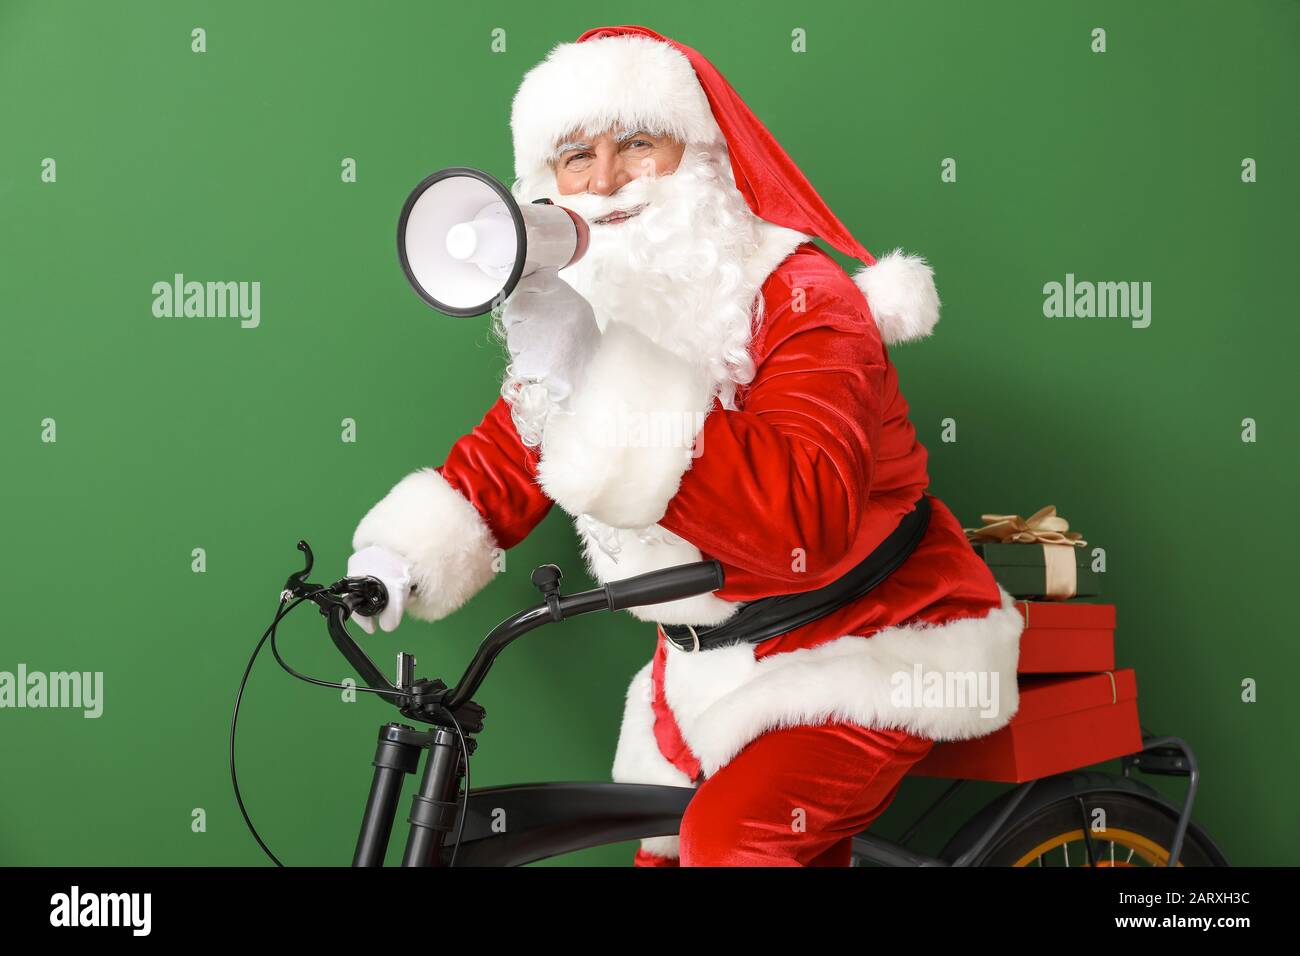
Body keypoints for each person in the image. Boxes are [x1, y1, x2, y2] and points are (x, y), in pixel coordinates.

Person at [348, 25, 1024, 867]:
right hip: (699, 671)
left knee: (736, 843)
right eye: (575, 156)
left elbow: (806, 516)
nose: (605, 180)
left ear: (700, 153)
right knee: (658, 854)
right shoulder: (581, 321)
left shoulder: (802, 296)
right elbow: (507, 455)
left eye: (637, 143)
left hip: (863, 644)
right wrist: (396, 557)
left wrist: (595, 372)